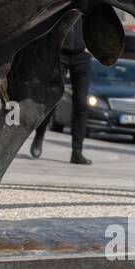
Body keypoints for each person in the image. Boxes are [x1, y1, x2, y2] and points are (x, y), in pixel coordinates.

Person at [30, 16, 92, 165]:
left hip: (82, 55)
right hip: (60, 52)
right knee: (53, 99)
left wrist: (93, 45)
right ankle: (40, 133)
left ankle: (77, 152)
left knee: (81, 104)